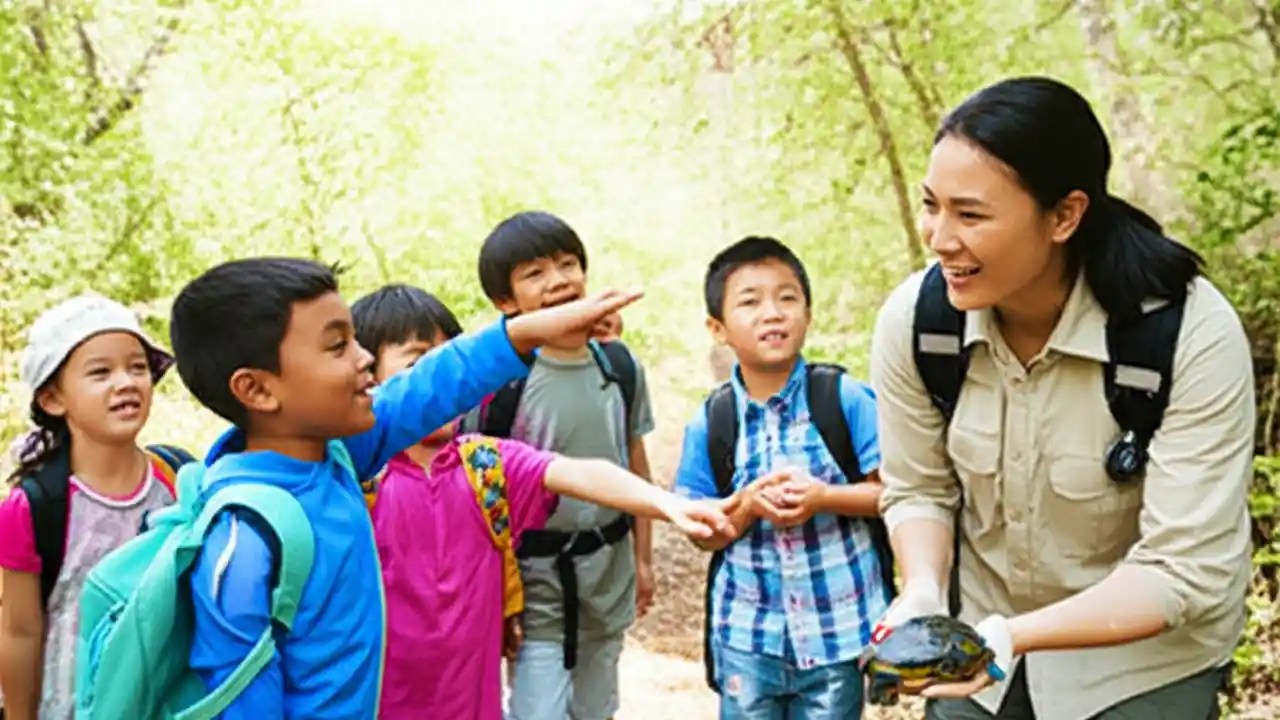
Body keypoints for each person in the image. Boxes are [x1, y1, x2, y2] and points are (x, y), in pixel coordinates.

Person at [869, 76, 1253, 720]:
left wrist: (1012, 636)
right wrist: (926, 596)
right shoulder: (918, 323)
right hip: (981, 668)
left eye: (971, 214)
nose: (939, 238)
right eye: (932, 205)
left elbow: (1185, 570)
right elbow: (920, 489)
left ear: (1065, 215)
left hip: (1142, 670)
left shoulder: (1188, 333)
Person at [168, 257, 644, 719]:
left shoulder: (336, 455)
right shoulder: (243, 539)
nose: (365, 359)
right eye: (337, 346)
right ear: (257, 390)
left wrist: (531, 327)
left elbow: (437, 382)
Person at [350, 283, 734, 719]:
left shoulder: (484, 466)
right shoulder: (357, 484)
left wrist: (665, 504)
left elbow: (578, 472)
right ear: (370, 380)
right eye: (421, 363)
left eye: (449, 359)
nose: (444, 384)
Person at [672, 236, 892, 719]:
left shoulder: (846, 400)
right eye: (750, 302)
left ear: (808, 315)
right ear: (718, 328)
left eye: (787, 297)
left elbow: (893, 496)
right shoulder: (712, 422)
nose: (772, 313)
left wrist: (824, 497)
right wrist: (747, 505)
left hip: (839, 632)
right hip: (747, 637)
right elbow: (702, 532)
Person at [467, 210, 657, 720]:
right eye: (534, 273)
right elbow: (476, 492)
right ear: (506, 302)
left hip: (607, 571)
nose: (558, 281)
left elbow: (635, 465)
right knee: (538, 710)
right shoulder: (498, 384)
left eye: (567, 264)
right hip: (535, 586)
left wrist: (643, 559)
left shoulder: (618, 366)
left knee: (597, 707)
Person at [0, 295, 191, 720]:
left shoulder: (176, 479)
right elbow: (20, 631)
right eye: (100, 372)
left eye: (137, 367)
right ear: (53, 399)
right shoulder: (33, 507)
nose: (126, 382)